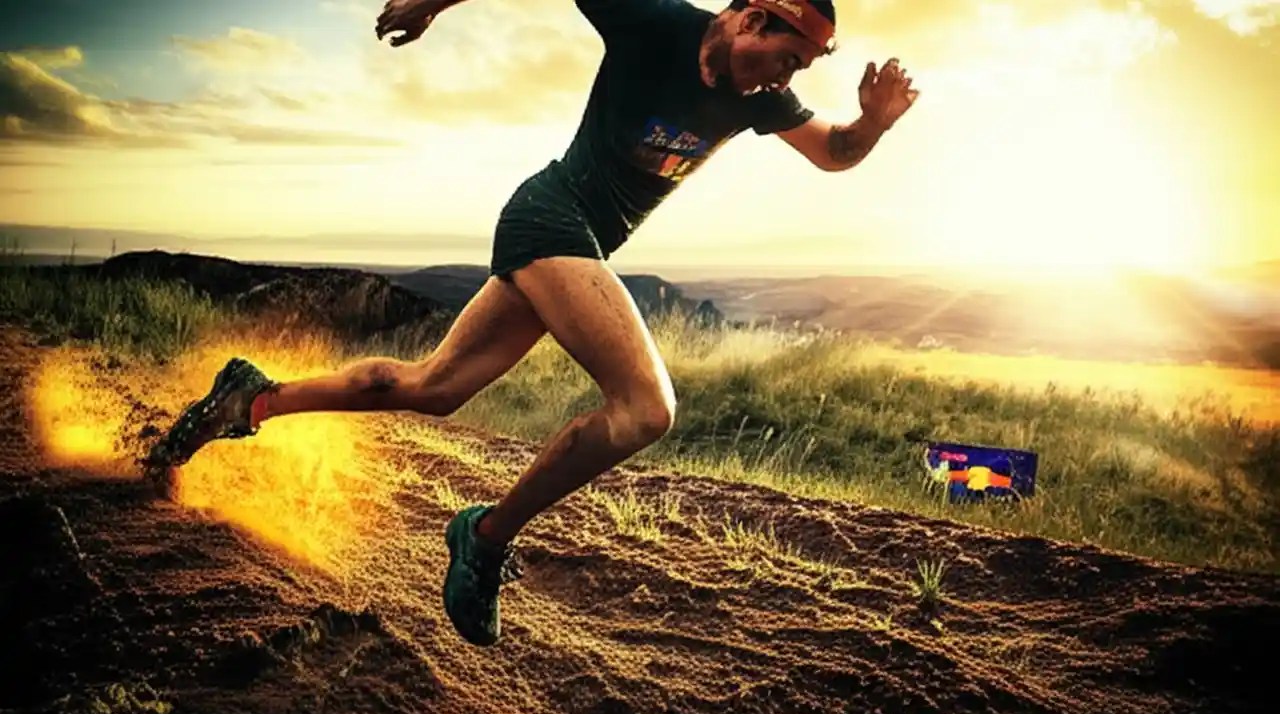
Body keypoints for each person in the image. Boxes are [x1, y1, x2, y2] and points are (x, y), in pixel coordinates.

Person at [146, 0, 919, 647]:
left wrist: (874, 124)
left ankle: (250, 399)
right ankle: (484, 537)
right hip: (551, 215)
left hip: (578, 242)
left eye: (800, 69)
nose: (787, 79)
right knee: (646, 409)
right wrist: (431, 4)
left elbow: (835, 151)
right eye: (787, 58)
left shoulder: (761, 100)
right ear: (751, 19)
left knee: (433, 387)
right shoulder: (655, 22)